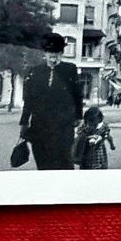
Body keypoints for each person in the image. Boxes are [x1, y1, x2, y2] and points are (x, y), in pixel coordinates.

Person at [19, 32, 83, 170]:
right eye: (50, 53)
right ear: (45, 53)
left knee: (64, 162)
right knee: (43, 162)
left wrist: (78, 116)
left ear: (61, 53)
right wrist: (24, 122)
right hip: (40, 126)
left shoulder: (69, 69)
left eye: (57, 53)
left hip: (63, 126)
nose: (53, 57)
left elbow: (77, 94)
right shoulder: (35, 71)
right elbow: (29, 100)